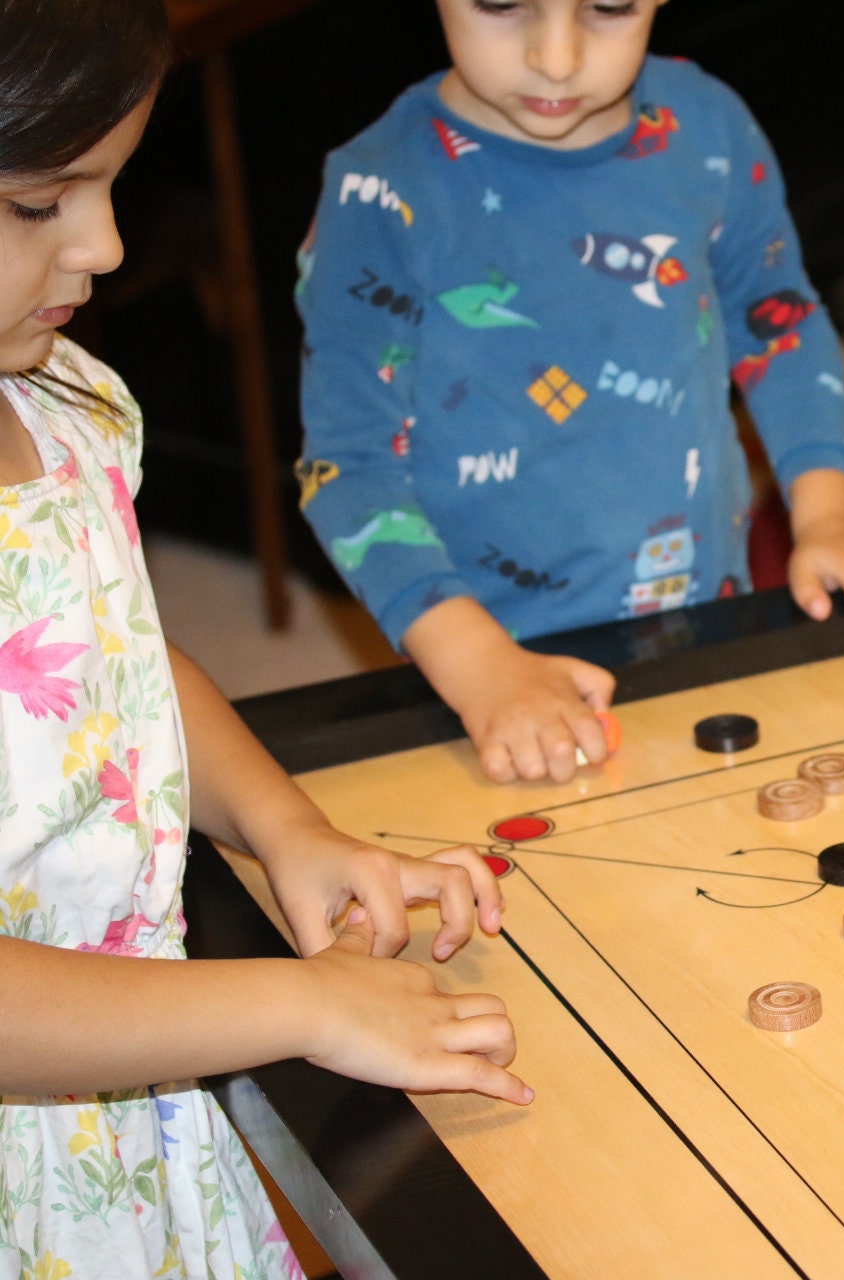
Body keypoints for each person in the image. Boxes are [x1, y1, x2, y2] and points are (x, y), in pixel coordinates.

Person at [0, 4, 532, 1274]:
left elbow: (122, 665)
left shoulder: (60, 405)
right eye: (41, 203)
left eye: (113, 186)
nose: (108, 244)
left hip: (144, 1082)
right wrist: (301, 1001)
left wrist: (286, 826)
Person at [296, 0, 844, 785]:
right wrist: (480, 668)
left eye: (608, 7)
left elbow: (777, 322)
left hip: (709, 618)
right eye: (502, 5)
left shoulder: (707, 124)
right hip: (489, 666)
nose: (556, 56)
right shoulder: (379, 191)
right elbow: (348, 469)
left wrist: (830, 514)